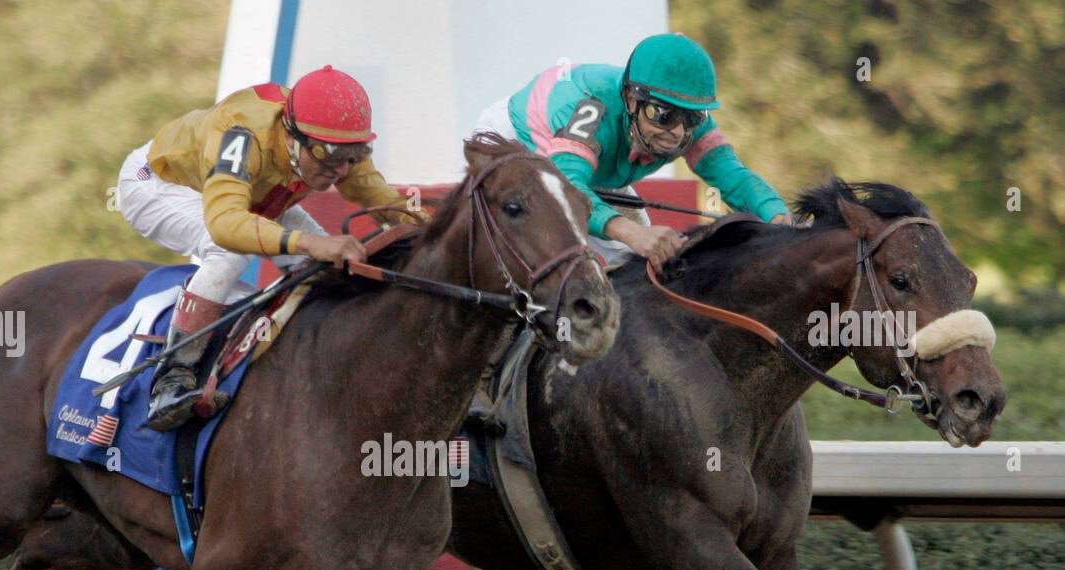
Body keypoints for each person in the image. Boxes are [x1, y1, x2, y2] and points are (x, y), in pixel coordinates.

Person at [117, 66, 420, 430]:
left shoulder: (335, 139)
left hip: (247, 192)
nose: (340, 170)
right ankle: (172, 378)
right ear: (294, 136)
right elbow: (226, 223)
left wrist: (432, 229)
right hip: (160, 184)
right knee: (228, 252)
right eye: (328, 157)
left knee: (323, 269)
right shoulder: (242, 132)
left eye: (353, 157)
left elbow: (385, 202)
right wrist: (311, 242)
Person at [475, 33, 795, 273]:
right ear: (631, 99)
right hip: (517, 148)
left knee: (640, 266)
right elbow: (566, 187)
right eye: (664, 115)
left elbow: (734, 178)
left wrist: (779, 219)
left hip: (589, 170)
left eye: (692, 119)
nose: (679, 132)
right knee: (567, 256)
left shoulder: (684, 119)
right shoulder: (592, 107)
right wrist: (633, 234)